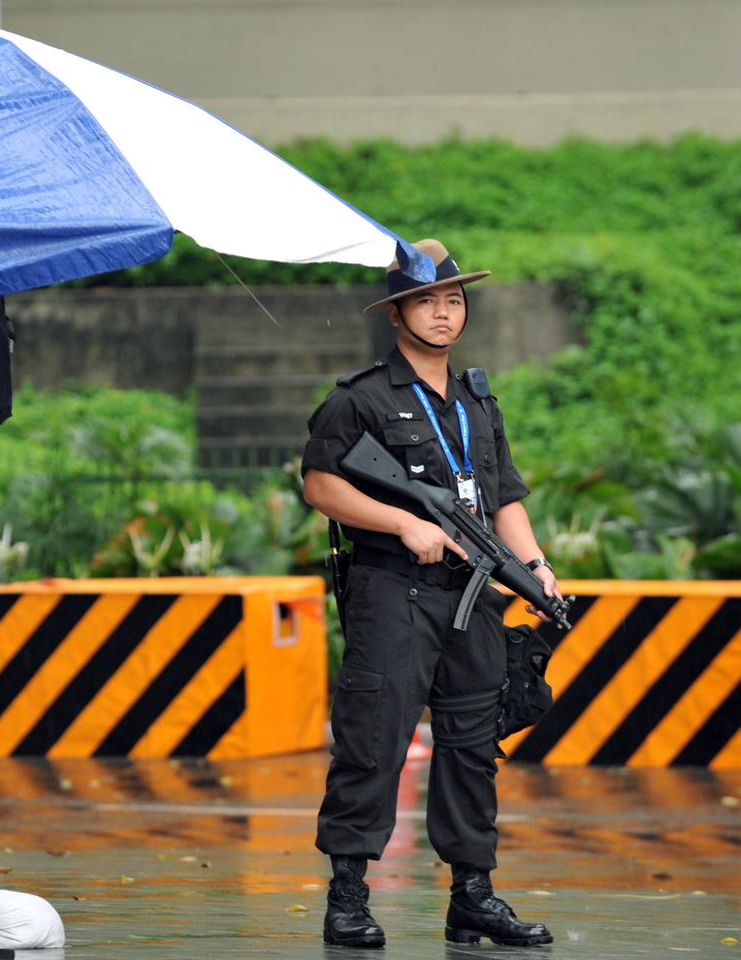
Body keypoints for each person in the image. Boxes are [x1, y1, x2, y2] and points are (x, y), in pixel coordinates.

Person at [301, 239, 556, 949]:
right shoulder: (360, 398)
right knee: (373, 741)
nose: (442, 314)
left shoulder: (478, 401)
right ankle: (348, 898)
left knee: (474, 746)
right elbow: (320, 485)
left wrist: (533, 563)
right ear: (396, 313)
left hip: (473, 595)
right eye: (425, 301)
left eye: (452, 301)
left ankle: (472, 894)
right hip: (393, 591)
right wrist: (402, 523)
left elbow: (503, 496)